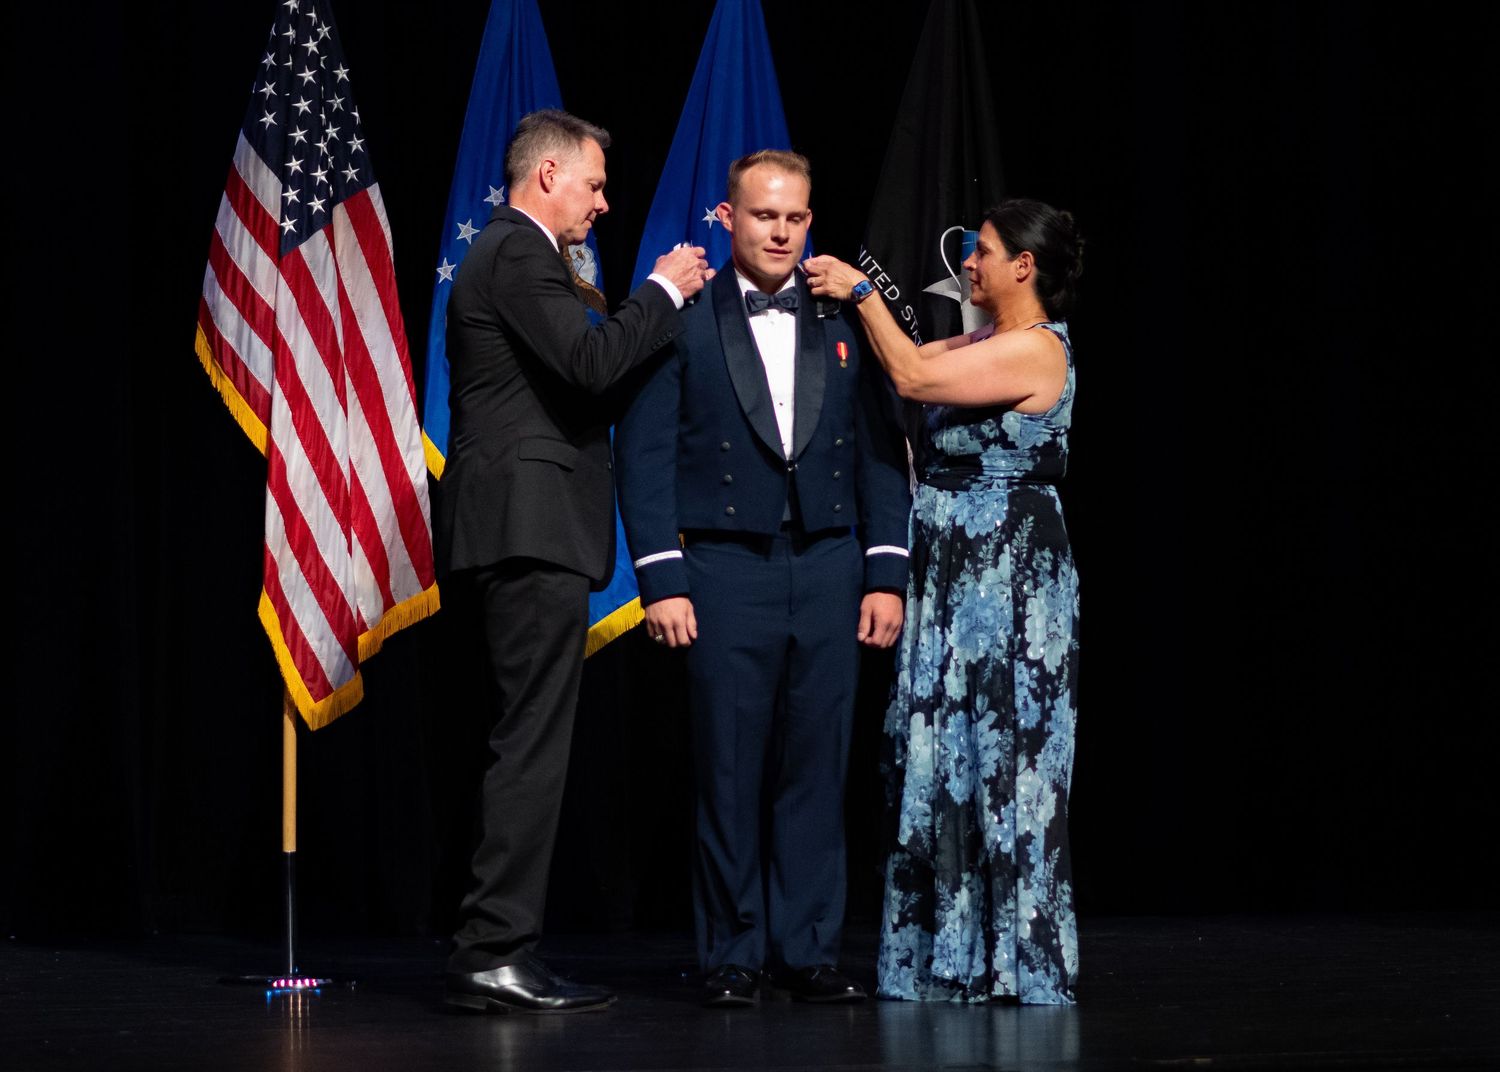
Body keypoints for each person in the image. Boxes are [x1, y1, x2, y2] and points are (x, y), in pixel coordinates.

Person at [615, 151, 912, 1007]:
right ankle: (733, 956)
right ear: (728, 218)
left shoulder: (847, 313)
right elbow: (645, 451)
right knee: (731, 766)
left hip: (828, 565)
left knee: (817, 768)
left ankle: (811, 952)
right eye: (763, 217)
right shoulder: (685, 314)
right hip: (720, 567)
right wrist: (662, 577)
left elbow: (883, 454)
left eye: (795, 218)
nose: (780, 232)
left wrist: (885, 571)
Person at [436, 109, 711, 1014]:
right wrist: (664, 290)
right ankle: (492, 952)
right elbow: (593, 363)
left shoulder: (526, 259)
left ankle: (503, 944)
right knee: (529, 746)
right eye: (593, 184)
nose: (602, 201)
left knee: (530, 743)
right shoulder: (517, 252)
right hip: (528, 525)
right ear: (547, 174)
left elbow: (589, 369)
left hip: (535, 527)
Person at [804, 197, 1084, 1005]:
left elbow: (914, 374)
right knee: (939, 755)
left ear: (1023, 268)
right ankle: (945, 960)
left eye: (984, 252)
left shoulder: (1038, 352)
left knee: (1007, 760)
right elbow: (911, 361)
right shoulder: (985, 338)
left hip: (1010, 576)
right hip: (950, 566)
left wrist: (862, 290)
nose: (968, 264)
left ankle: (1018, 963)